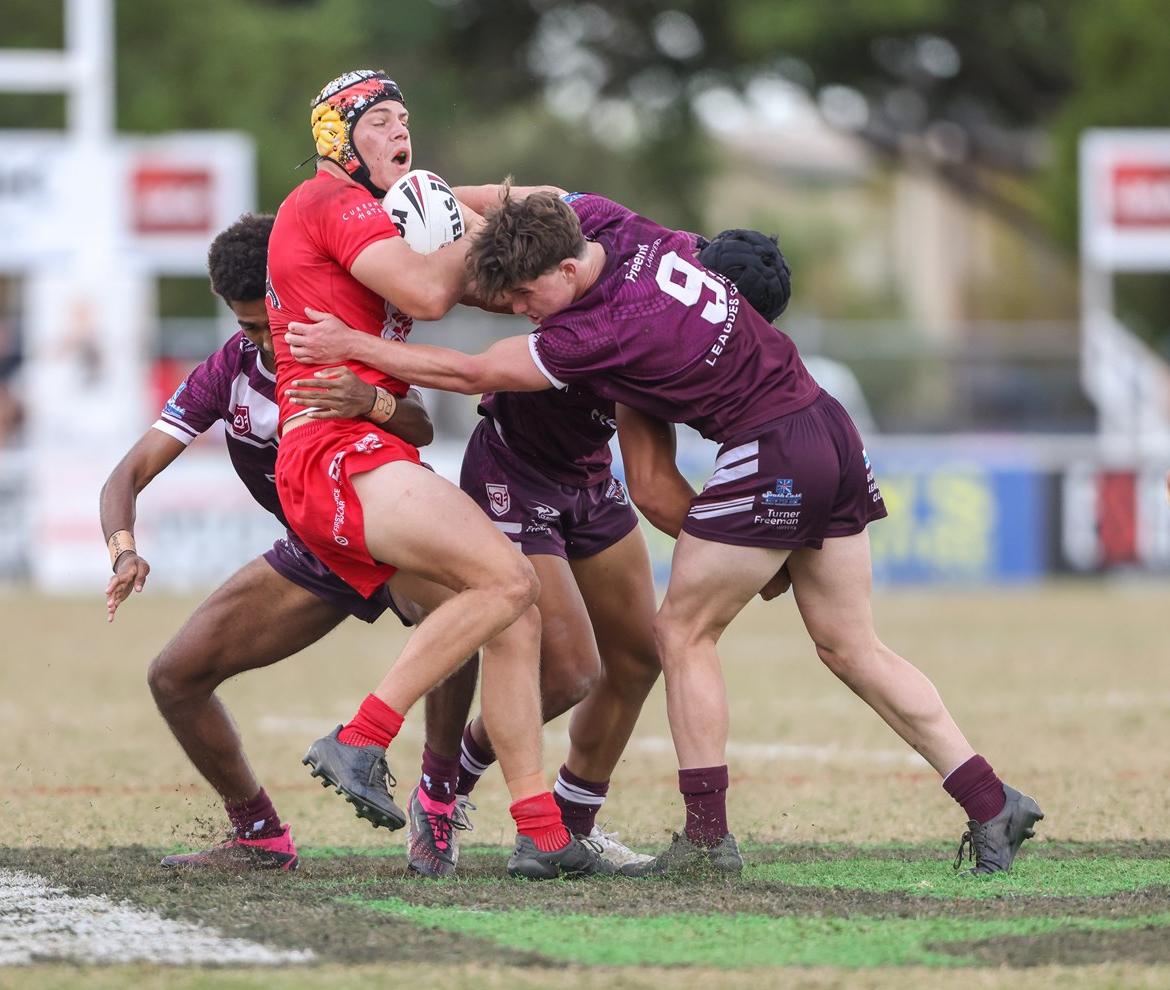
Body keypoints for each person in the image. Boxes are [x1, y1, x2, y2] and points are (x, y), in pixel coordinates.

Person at [283, 184, 1045, 877]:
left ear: (566, 270)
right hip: (829, 433)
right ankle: (991, 801)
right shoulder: (630, 232)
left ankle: (706, 841)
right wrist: (435, 194)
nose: (517, 306)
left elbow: (484, 378)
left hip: (762, 449)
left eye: (524, 295)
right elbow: (531, 196)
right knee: (853, 646)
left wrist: (355, 345)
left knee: (677, 635)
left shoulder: (605, 317)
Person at [286, 223, 796, 879]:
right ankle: (440, 794)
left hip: (589, 479)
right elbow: (475, 373)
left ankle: (567, 825)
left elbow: (648, 481)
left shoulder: (676, 278)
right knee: (566, 670)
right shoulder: (630, 318)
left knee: (637, 659)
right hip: (514, 478)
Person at [264, 70, 611, 879]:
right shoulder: (329, 202)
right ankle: (360, 738)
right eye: (379, 120)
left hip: (364, 448)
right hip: (332, 452)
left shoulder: (380, 204)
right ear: (338, 140)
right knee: (508, 582)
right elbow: (428, 286)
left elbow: (537, 210)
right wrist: (467, 223)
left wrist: (504, 204)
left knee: (510, 614)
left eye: (404, 118)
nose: (398, 130)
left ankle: (541, 832)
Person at [100, 212, 439, 871]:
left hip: (383, 530)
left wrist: (366, 401)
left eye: (271, 322)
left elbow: (421, 425)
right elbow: (127, 474)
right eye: (248, 326)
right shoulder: (227, 372)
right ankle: (258, 836)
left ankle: (441, 799)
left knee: (458, 620)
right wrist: (123, 549)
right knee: (174, 678)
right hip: (313, 551)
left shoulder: (338, 341)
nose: (265, 339)